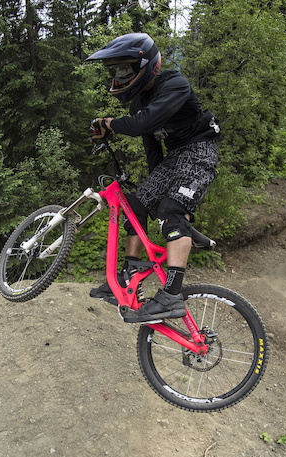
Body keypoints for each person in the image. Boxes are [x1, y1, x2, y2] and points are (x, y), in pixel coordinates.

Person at [85, 32, 221, 324]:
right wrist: (151, 190)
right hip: (173, 159)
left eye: (125, 69)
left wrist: (108, 123)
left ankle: (171, 295)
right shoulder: (138, 103)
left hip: (199, 151)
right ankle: (126, 277)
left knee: (171, 212)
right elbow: (153, 152)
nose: (120, 76)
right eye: (118, 71)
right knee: (135, 205)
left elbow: (142, 125)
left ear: (145, 66)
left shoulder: (174, 84)